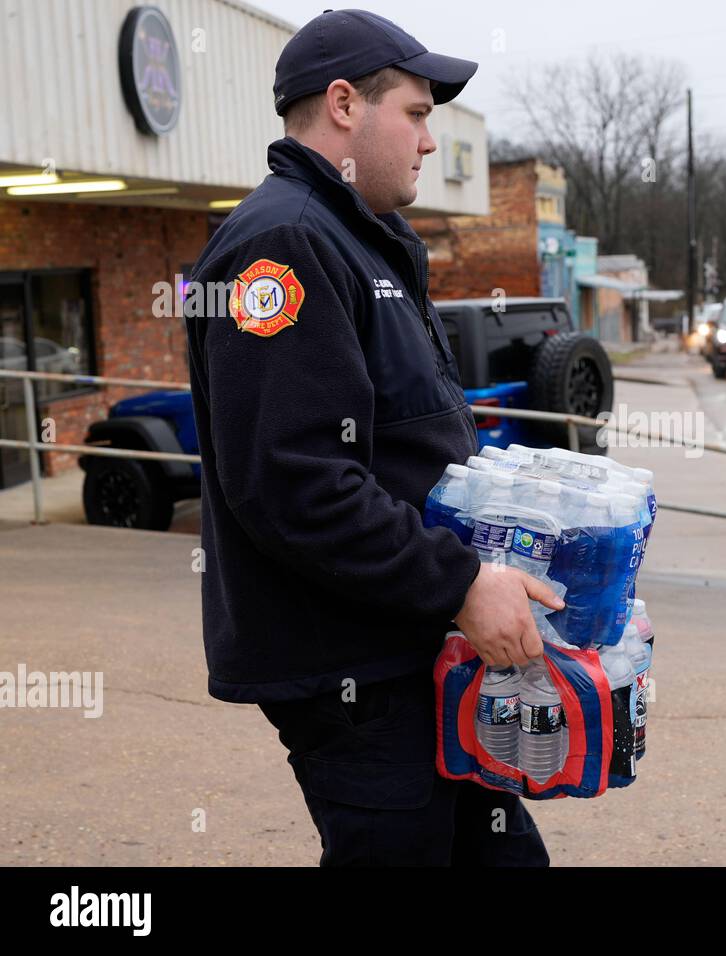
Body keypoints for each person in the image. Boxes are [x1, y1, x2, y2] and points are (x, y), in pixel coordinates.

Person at [183, 8, 560, 866]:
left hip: (412, 651)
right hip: (357, 676)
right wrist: (460, 581)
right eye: (418, 114)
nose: (430, 141)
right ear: (345, 105)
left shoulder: (355, 241)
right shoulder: (282, 245)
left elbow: (397, 445)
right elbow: (294, 484)